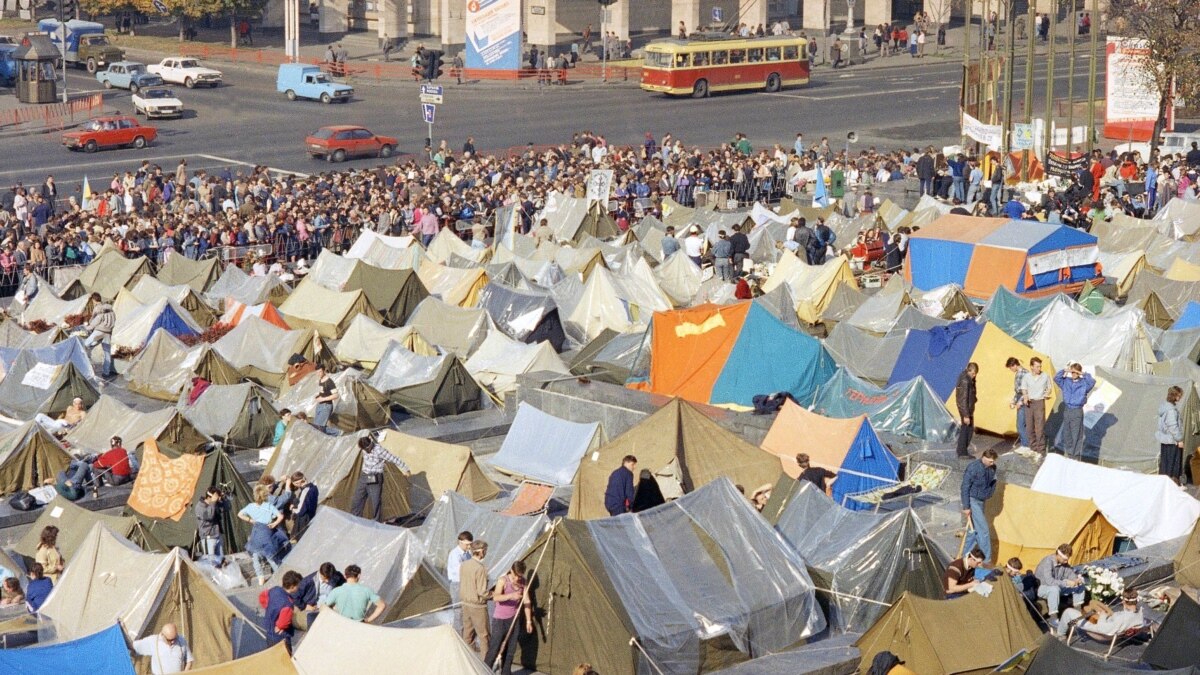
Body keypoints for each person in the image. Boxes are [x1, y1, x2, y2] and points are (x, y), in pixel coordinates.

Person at [483, 561, 534, 674]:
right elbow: (495, 598)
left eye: (520, 576)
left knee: (510, 650)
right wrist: (511, 596)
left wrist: (529, 621)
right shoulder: (503, 580)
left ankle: (506, 672)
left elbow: (527, 602)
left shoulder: (523, 582)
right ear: (511, 571)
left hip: (514, 620)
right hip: (500, 620)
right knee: (494, 648)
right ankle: (483, 671)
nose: (517, 579)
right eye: (516, 576)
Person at [349, 435, 411, 521]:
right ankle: (354, 518)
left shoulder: (379, 450)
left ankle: (376, 521)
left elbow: (394, 459)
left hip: (375, 477)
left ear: (370, 444)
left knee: (375, 501)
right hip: (365, 476)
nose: (367, 451)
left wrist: (406, 469)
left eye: (368, 449)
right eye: (364, 449)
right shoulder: (363, 446)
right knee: (357, 498)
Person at [239, 483, 288, 585]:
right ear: (265, 495)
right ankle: (279, 575)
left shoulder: (250, 506)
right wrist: (274, 523)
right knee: (270, 556)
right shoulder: (269, 506)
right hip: (267, 532)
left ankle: (260, 578)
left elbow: (239, 514)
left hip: (256, 533)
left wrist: (250, 520)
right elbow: (280, 516)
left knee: (255, 557)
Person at [1056, 588, 1143, 638]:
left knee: (1068, 612)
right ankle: (1073, 622)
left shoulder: (1123, 617)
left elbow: (1103, 629)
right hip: (1113, 621)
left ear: (1124, 601)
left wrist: (1102, 616)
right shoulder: (1139, 613)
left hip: (1099, 626)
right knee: (1093, 602)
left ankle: (1061, 634)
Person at [1035, 543, 1086, 628]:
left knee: (1079, 586)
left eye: (1068, 559)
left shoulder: (1064, 563)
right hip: (1042, 587)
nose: (1066, 561)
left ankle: (1077, 612)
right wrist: (1067, 583)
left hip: (1057, 586)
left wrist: (1076, 580)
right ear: (1058, 555)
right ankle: (1053, 618)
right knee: (1054, 589)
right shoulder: (1048, 561)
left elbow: (1070, 573)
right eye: (1065, 559)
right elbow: (1049, 581)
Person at [960, 448, 997, 563]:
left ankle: (965, 556)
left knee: (974, 530)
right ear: (984, 458)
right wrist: (966, 507)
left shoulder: (992, 468)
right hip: (973, 500)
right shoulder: (973, 467)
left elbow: (993, 482)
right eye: (990, 461)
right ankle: (986, 561)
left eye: (993, 461)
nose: (993, 463)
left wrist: (989, 493)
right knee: (983, 530)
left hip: (981, 500)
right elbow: (965, 487)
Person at [1054, 363, 1095, 459]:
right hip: (1067, 410)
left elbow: (1092, 382)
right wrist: (1065, 370)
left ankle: (1075, 457)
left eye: (1075, 372)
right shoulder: (1066, 382)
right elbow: (1056, 378)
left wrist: (1082, 373)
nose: (1073, 374)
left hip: (1077, 411)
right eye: (1072, 372)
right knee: (1067, 434)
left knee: (1076, 435)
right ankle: (1069, 455)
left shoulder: (1084, 383)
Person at [322, 564, 387, 622]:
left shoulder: (336, 591)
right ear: (359, 576)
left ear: (345, 576)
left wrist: (335, 611)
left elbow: (324, 608)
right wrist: (368, 619)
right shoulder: (367, 590)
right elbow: (382, 605)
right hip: (359, 625)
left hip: (342, 625)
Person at [459, 541, 491, 660]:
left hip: (465, 604)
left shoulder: (464, 565)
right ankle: (484, 666)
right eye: (485, 550)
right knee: (484, 637)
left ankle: (469, 663)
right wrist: (493, 594)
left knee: (468, 636)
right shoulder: (480, 568)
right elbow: (482, 592)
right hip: (478, 607)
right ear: (481, 551)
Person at [261, 571, 299, 653]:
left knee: (271, 654)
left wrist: (269, 609)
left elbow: (262, 597)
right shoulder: (288, 604)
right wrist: (280, 627)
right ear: (292, 587)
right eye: (297, 585)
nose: (298, 587)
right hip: (280, 637)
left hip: (269, 630)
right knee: (285, 657)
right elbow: (283, 622)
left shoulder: (275, 589)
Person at [1021, 357, 1051, 457]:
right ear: (1032, 367)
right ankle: (1033, 448)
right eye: (1037, 366)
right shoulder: (1026, 376)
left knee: (1040, 427)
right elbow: (1024, 388)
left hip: (1039, 402)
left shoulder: (1045, 376)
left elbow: (1049, 388)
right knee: (1029, 427)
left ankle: (1041, 450)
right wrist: (1025, 397)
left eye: (1040, 366)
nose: (1039, 368)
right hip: (1029, 403)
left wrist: (1047, 393)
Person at [1157, 386, 1185, 484]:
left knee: (1165, 464)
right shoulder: (1171, 410)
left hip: (1166, 440)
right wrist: (1179, 439)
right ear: (1175, 395)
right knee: (1172, 466)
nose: (1180, 397)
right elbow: (1173, 427)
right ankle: (1172, 487)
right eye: (1179, 395)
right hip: (1172, 441)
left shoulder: (1165, 407)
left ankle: (1164, 485)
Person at [84, 294, 116, 378]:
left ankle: (85, 368)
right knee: (107, 353)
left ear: (94, 300)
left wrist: (87, 328)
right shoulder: (111, 310)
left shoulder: (99, 308)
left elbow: (96, 320)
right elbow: (114, 321)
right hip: (108, 333)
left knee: (84, 345)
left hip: (99, 331)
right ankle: (106, 373)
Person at [195, 486, 228, 567]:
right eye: (216, 496)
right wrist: (213, 502)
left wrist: (223, 499)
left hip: (217, 535)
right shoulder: (200, 506)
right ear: (210, 496)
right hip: (208, 537)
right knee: (210, 563)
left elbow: (226, 508)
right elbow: (209, 516)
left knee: (221, 561)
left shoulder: (215, 504)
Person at [1005, 357, 1030, 452]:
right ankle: (1025, 444)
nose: (1011, 370)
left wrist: (1020, 401)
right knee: (1022, 424)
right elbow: (1017, 391)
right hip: (1020, 399)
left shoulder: (1024, 374)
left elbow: (1027, 390)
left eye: (1010, 367)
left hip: (1024, 401)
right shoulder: (1018, 373)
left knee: (1020, 425)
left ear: (1014, 365)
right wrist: (1013, 401)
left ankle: (1026, 445)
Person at [955, 362, 979, 458]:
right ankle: (962, 452)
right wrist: (966, 415)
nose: (974, 376)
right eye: (973, 374)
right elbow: (963, 398)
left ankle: (962, 450)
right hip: (966, 409)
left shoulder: (965, 376)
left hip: (967, 408)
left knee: (967, 429)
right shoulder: (966, 380)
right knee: (967, 430)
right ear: (969, 371)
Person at [289, 471, 318, 540]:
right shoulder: (314, 487)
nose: (296, 486)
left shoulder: (305, 491)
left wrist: (293, 508)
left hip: (303, 520)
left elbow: (300, 511)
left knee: (300, 539)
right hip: (311, 515)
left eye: (296, 484)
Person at [311, 364, 339, 434]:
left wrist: (323, 399)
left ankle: (338, 433)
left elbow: (336, 395)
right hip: (320, 405)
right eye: (317, 372)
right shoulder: (321, 380)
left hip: (326, 406)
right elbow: (323, 391)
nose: (318, 374)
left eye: (320, 372)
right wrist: (318, 396)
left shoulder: (329, 382)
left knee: (318, 427)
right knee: (316, 426)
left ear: (324, 371)